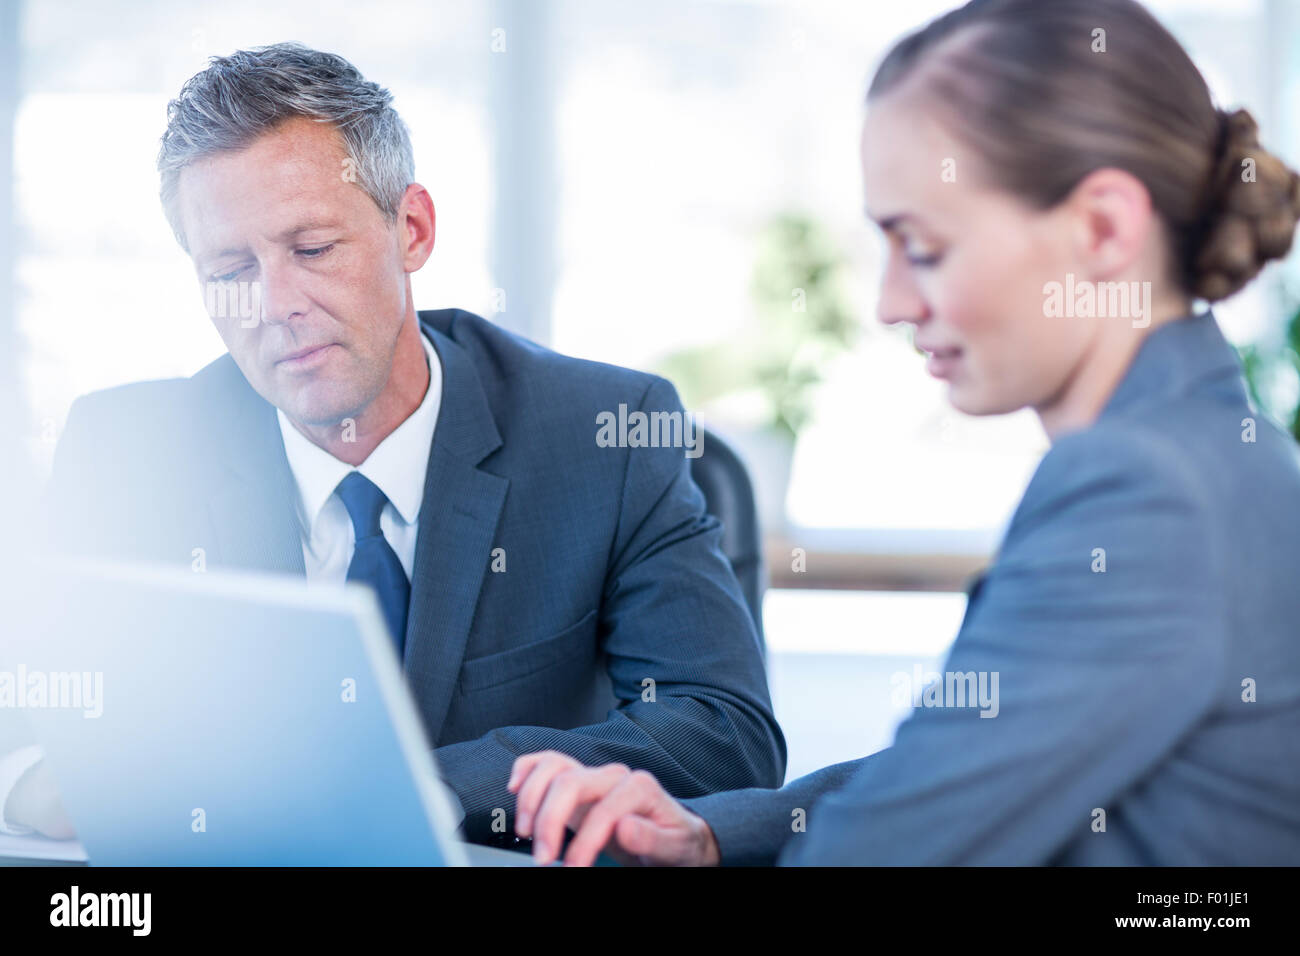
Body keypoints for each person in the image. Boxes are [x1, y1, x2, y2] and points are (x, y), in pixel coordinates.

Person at [508, 0, 1300, 866]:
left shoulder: (1142, 490)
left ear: (1103, 229)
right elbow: (959, 770)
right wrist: (709, 834)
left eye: (922, 247)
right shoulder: (1209, 450)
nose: (890, 303)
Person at [0, 43, 785, 846]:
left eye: (313, 250)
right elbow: (24, 708)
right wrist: (37, 778)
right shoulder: (128, 455)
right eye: (231, 269)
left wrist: (413, 790)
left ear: (412, 230)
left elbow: (723, 732)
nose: (274, 304)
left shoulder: (603, 436)